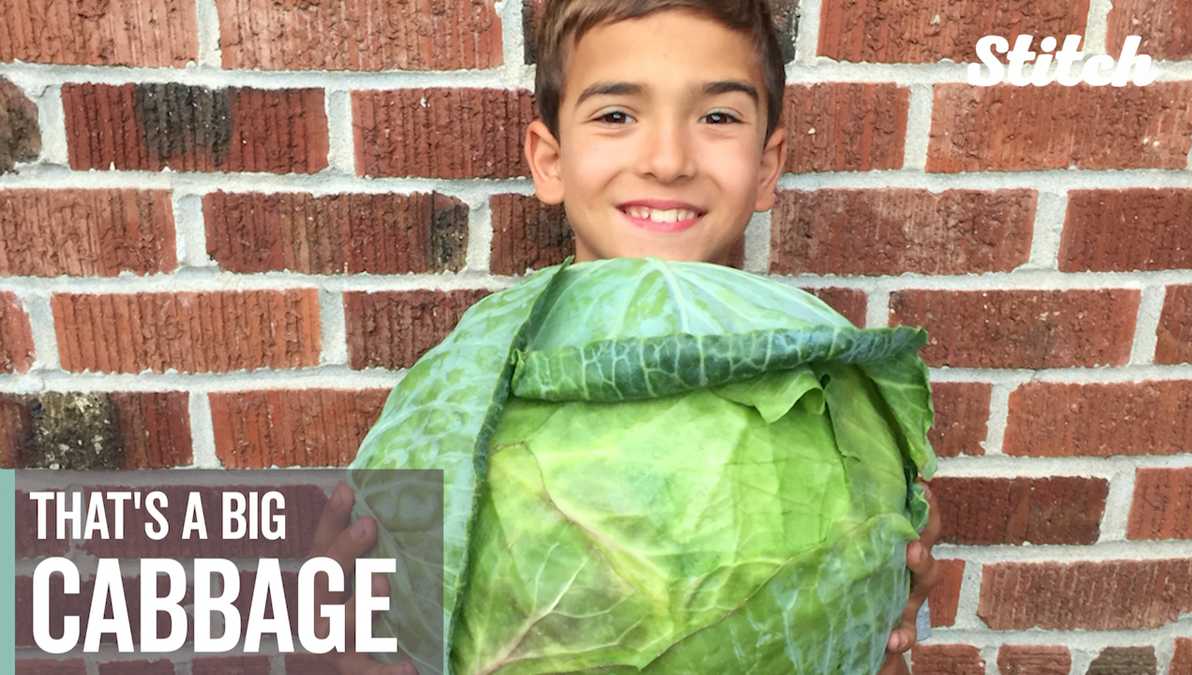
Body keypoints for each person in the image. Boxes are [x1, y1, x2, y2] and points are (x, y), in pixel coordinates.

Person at [308, 1, 943, 673]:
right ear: (550, 160)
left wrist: (878, 598)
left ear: (766, 165)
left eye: (717, 117)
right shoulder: (464, 374)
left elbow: (875, 633)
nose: (667, 161)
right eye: (616, 115)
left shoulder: (835, 373)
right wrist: (329, 642)